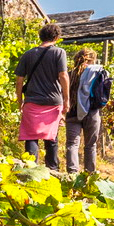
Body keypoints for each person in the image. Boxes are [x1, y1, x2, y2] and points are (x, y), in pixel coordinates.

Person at [16, 22, 69, 170]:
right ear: (57, 37)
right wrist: (67, 99)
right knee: (51, 136)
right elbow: (63, 75)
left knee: (30, 135)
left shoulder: (28, 54)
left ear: (41, 37)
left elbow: (19, 81)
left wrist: (19, 101)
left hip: (32, 100)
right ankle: (52, 169)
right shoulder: (59, 53)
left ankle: (31, 169)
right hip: (53, 101)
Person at [66, 47, 104, 173]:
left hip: (72, 112)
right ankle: (89, 174)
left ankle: (72, 174)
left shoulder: (69, 74)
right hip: (91, 112)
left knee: (72, 144)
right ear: (92, 60)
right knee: (90, 146)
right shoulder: (96, 73)